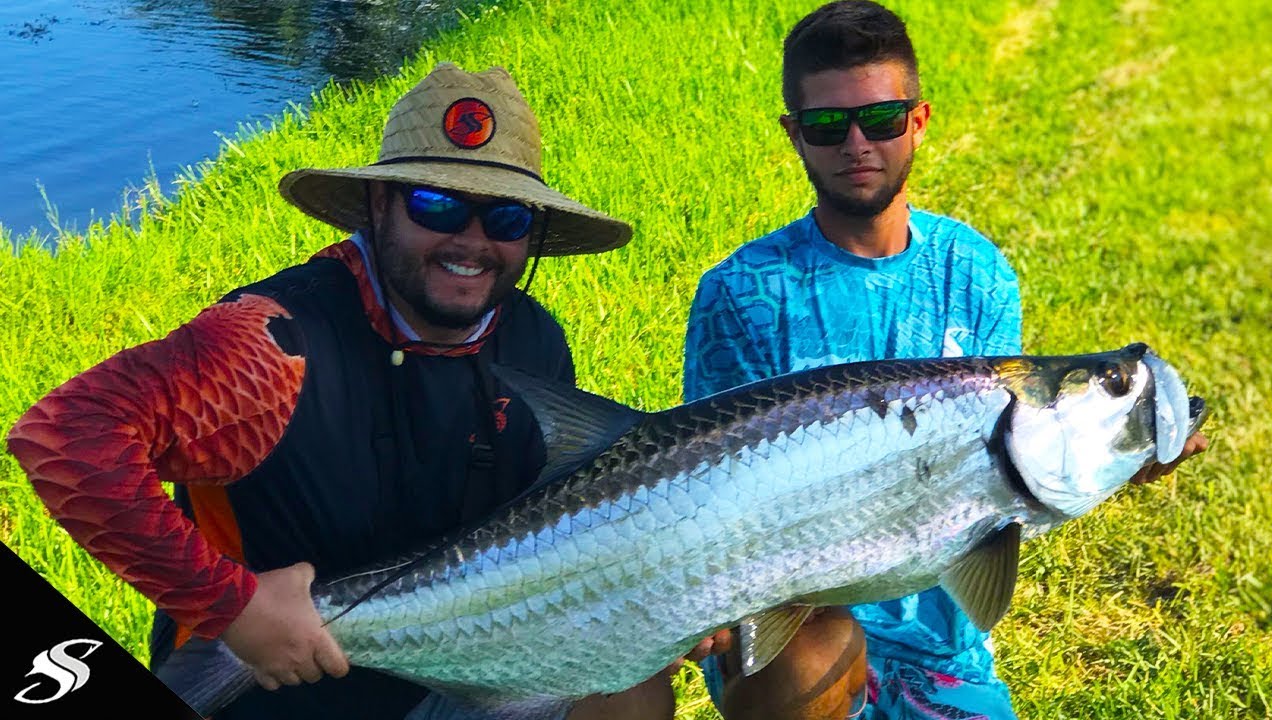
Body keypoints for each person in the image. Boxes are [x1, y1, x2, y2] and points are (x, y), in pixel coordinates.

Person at [7, 62, 719, 720]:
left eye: (506, 218)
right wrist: (232, 607)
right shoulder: (272, 344)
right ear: (378, 205)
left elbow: (544, 532)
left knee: (631, 689)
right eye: (438, 204)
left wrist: (655, 597)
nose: (471, 240)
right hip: (278, 685)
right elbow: (63, 435)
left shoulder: (533, 338)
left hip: (468, 656)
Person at [681, 3, 1208, 719]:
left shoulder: (976, 271)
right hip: (795, 633)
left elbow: (1009, 475)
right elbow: (713, 494)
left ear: (919, 120)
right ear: (795, 135)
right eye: (829, 125)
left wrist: (1117, 458)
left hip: (944, 656)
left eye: (883, 119)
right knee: (816, 649)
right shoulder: (740, 293)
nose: (857, 143)